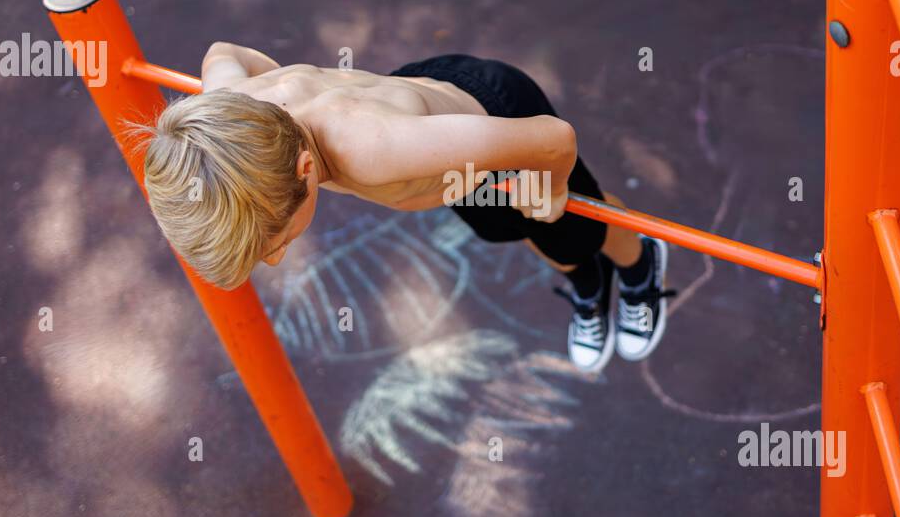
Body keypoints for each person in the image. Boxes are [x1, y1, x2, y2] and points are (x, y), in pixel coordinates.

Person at [136, 45, 672, 370]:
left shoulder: (376, 151)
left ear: (305, 169)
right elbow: (223, 52)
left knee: (573, 233)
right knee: (510, 230)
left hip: (499, 122)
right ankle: (587, 282)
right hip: (443, 147)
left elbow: (553, 138)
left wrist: (552, 193)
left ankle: (639, 264)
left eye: (276, 244)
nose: (275, 259)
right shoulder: (238, 113)